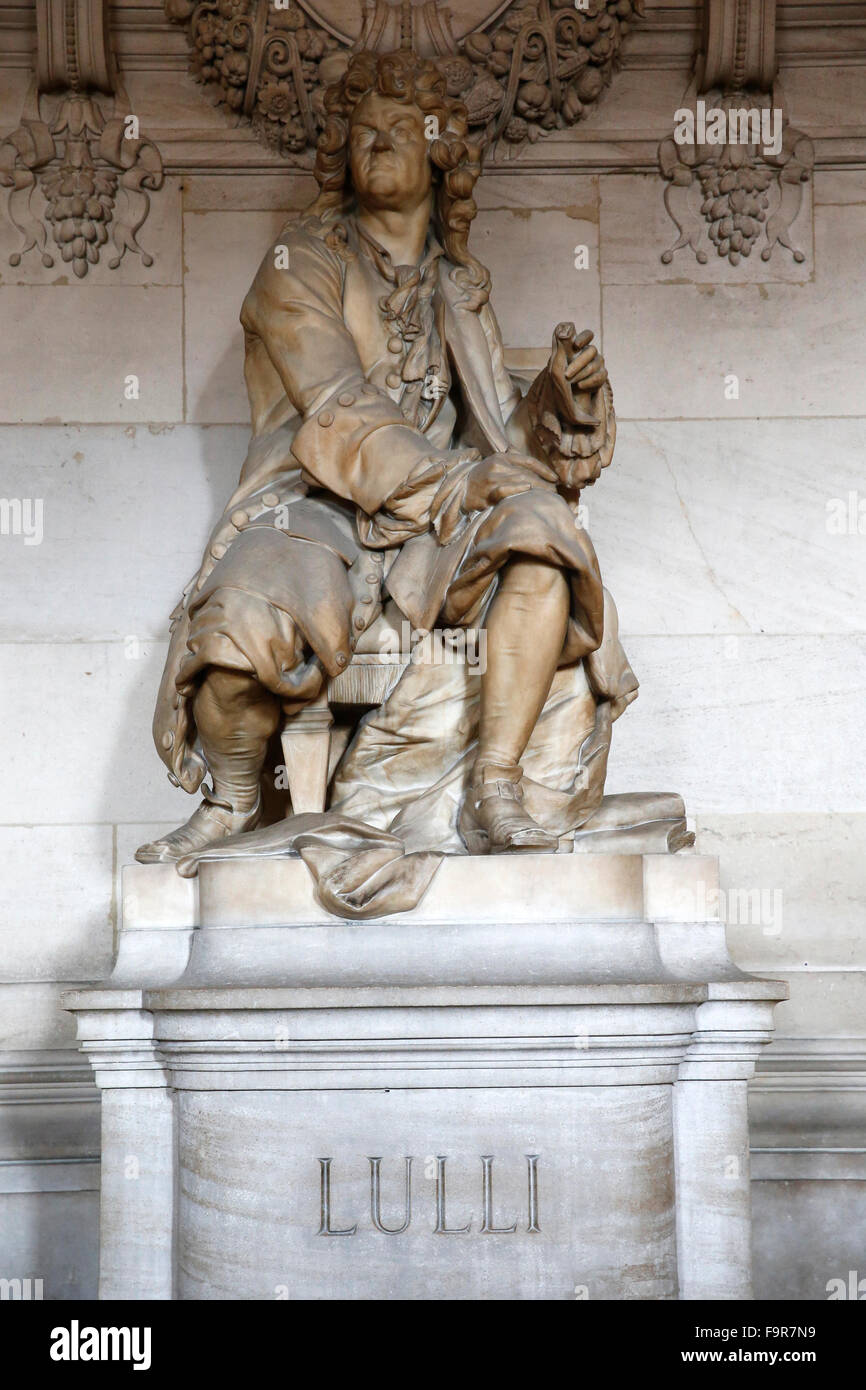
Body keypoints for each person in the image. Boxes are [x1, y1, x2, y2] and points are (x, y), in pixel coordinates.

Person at [138, 48, 634, 872]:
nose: (378, 142)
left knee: (543, 530)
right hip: (318, 510)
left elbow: (494, 434)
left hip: (437, 528)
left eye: (401, 130)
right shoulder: (299, 263)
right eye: (364, 130)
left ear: (441, 159)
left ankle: (495, 786)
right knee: (232, 636)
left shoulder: (461, 286)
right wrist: (459, 482)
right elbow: (336, 406)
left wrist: (558, 399)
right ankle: (231, 799)